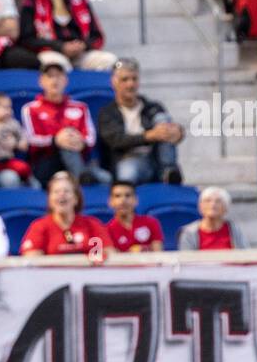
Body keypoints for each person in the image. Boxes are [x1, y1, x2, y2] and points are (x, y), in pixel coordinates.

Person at [21, 54, 112, 186]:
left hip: (78, 157)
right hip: (46, 163)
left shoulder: (81, 107)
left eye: (59, 76)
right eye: (50, 76)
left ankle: (80, 177)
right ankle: (80, 181)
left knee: (107, 179)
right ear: (41, 81)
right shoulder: (31, 109)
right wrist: (56, 140)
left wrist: (81, 141)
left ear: (66, 80)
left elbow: (90, 138)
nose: (55, 80)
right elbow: (30, 138)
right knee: (65, 143)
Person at [97, 57, 185, 185]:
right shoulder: (107, 113)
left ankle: (168, 170)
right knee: (127, 173)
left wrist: (178, 132)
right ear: (114, 82)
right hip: (126, 159)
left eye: (134, 79)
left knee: (162, 119)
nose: (130, 84)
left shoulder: (152, 106)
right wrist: (149, 136)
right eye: (125, 79)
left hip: (156, 158)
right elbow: (116, 141)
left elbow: (168, 131)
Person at [19, 170, 116, 257]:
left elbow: (110, 255)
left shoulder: (93, 224)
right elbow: (31, 259)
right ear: (49, 200)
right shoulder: (39, 226)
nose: (61, 194)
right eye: (56, 192)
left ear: (76, 199)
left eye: (67, 191)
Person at [178, 185, 249, 248]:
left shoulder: (235, 230)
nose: (212, 205)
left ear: (226, 208)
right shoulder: (189, 233)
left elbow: (246, 256)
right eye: (207, 201)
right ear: (200, 207)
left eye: (218, 201)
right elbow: (186, 260)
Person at [105, 180, 165, 252]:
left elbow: (158, 253)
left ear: (136, 200)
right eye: (117, 196)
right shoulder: (107, 231)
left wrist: (143, 249)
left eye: (128, 195)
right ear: (110, 202)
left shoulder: (151, 223)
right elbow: (113, 259)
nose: (123, 200)